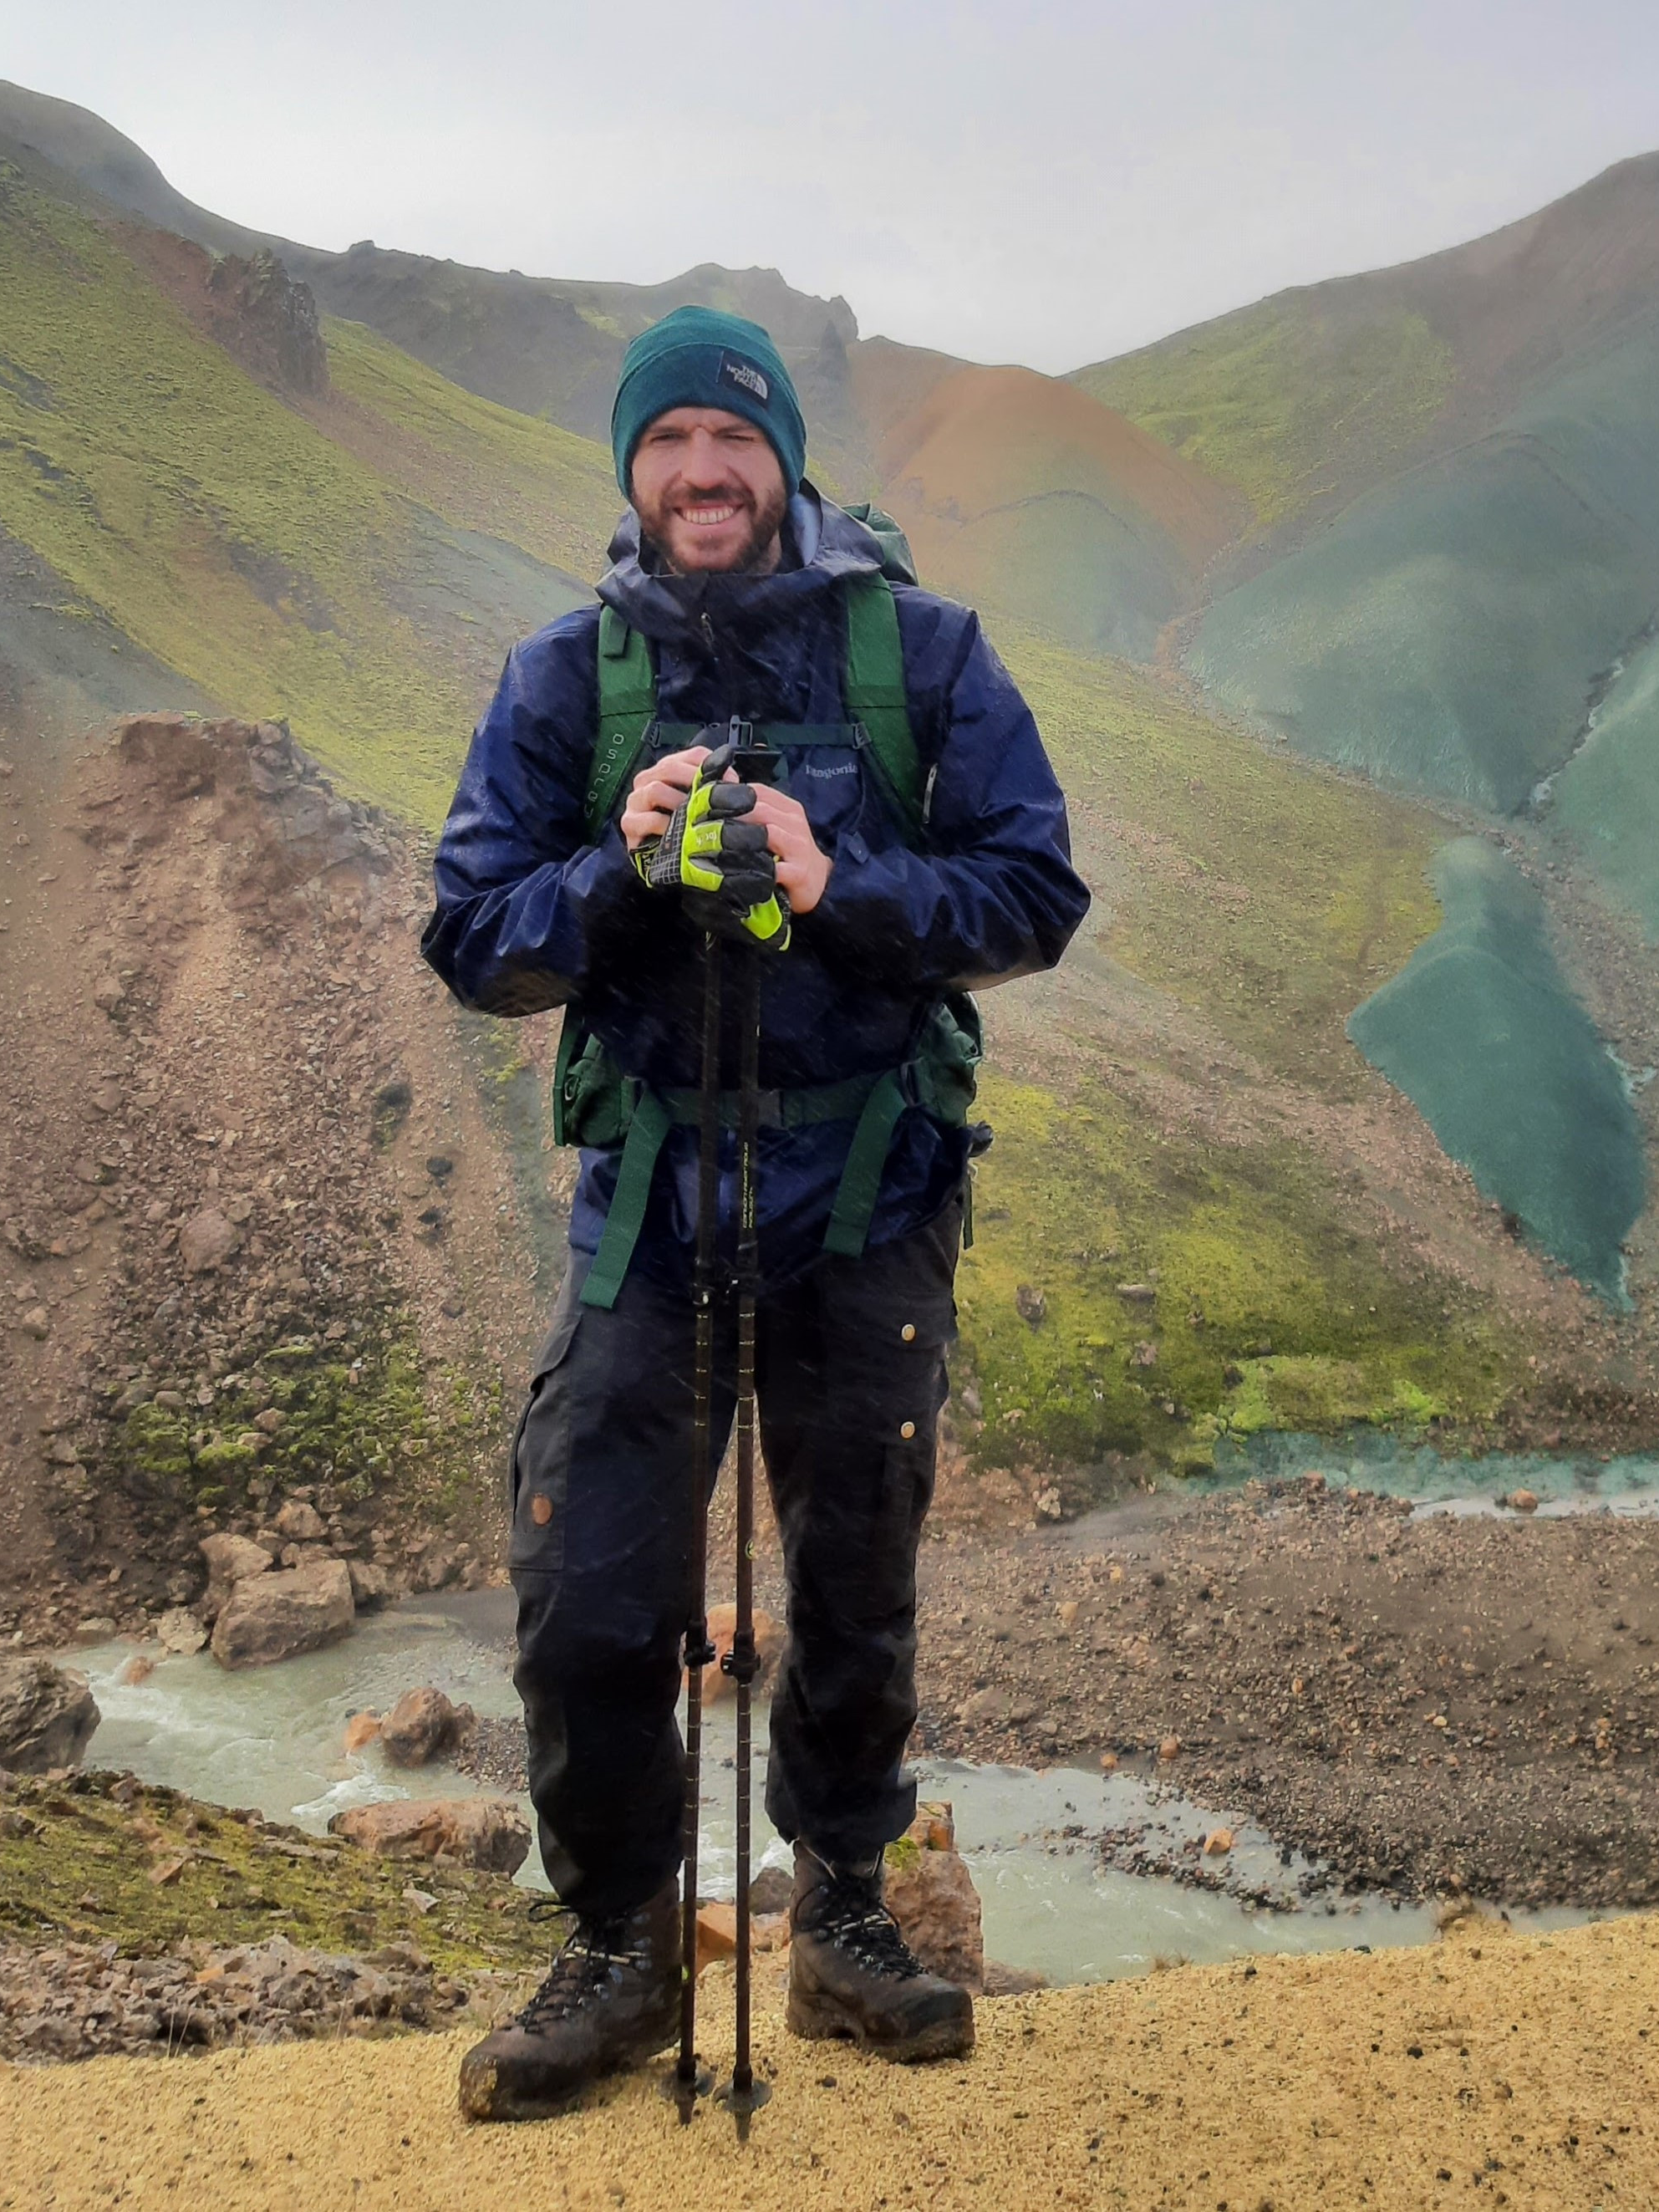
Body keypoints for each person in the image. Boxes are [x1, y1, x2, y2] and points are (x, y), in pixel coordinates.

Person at [422, 304, 1089, 2123]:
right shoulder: (565, 678)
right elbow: (472, 938)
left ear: (783, 460)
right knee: (588, 1588)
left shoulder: (923, 653)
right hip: (652, 1191)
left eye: (732, 441)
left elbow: (1034, 891)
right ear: (630, 473)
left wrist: (831, 874)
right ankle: (624, 1949)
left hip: (866, 1185)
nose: (700, 474)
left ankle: (845, 1922)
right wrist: (618, 866)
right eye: (667, 445)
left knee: (854, 1570)